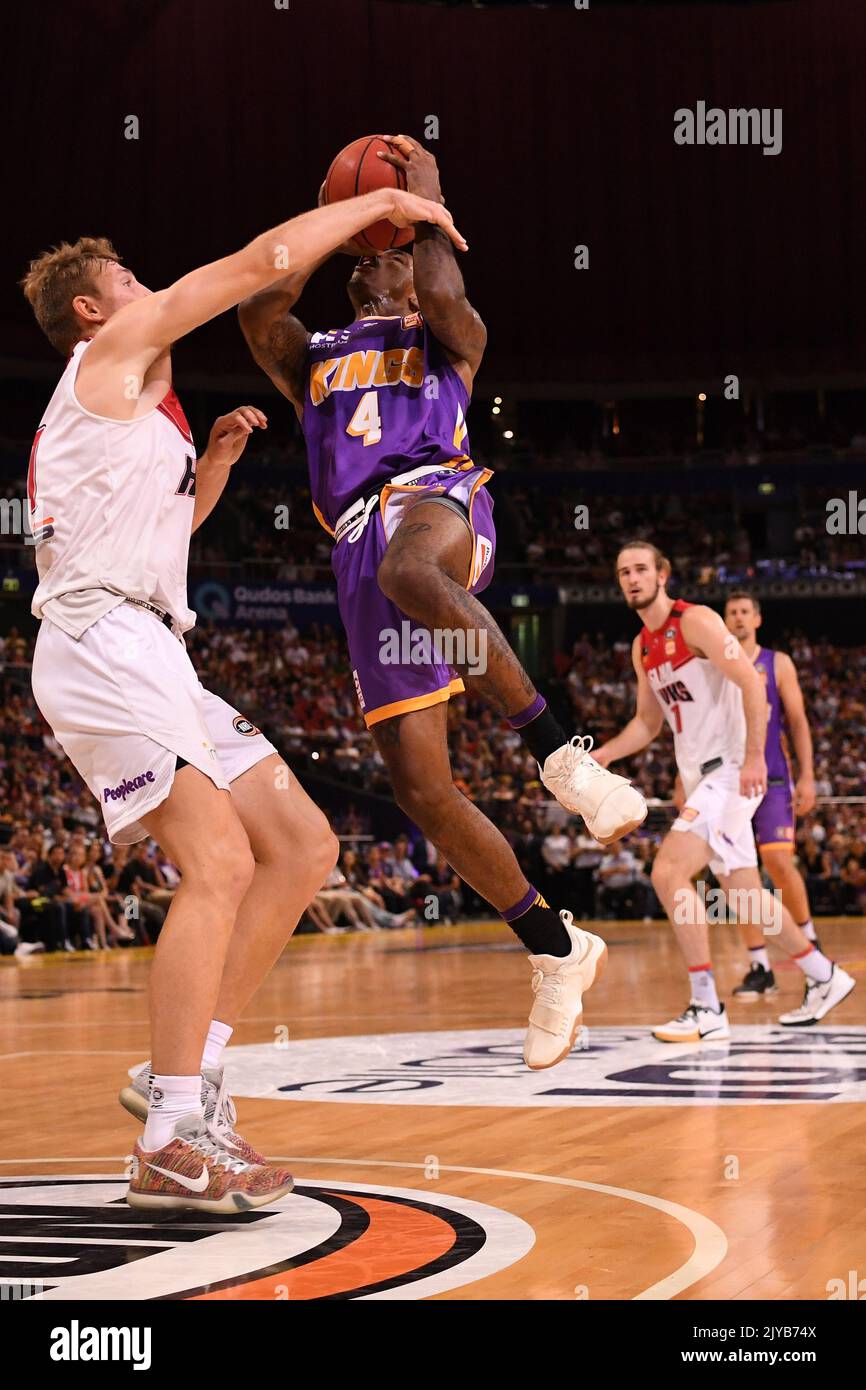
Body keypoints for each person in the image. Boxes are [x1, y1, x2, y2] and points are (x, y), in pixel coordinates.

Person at [20, 179, 457, 1211]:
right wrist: (381, 203)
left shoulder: (137, 409)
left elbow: (161, 541)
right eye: (128, 279)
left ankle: (190, 1073)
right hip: (97, 642)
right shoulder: (109, 353)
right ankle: (167, 1136)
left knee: (303, 845)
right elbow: (260, 266)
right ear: (92, 308)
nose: (147, 287)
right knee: (216, 860)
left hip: (150, 641)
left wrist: (208, 467)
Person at [239, 135, 646, 1070]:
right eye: (365, 253)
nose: (374, 262)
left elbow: (452, 293)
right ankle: (556, 949)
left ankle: (560, 759)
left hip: (439, 499)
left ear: (416, 269)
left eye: (393, 253)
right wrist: (337, 217)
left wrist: (423, 199)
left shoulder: (446, 336)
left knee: (413, 572)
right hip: (355, 542)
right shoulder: (313, 357)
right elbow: (261, 304)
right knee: (423, 790)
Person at [595, 541, 855, 1040]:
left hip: (731, 770)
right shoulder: (642, 646)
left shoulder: (697, 622)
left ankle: (706, 1004)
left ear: (663, 574)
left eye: (641, 569)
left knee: (668, 872)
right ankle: (825, 976)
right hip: (701, 775)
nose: (632, 578)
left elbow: (753, 684)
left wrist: (756, 755)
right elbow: (648, 723)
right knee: (746, 895)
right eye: (624, 571)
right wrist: (605, 754)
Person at [723, 592, 820, 998]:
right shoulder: (715, 662)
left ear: (758, 619)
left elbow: (797, 722)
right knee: (735, 875)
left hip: (774, 777)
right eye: (732, 613)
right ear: (724, 621)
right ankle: (760, 966)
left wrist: (809, 776)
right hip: (729, 779)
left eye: (745, 612)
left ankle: (812, 947)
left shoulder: (777, 662)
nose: (739, 618)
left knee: (779, 861)